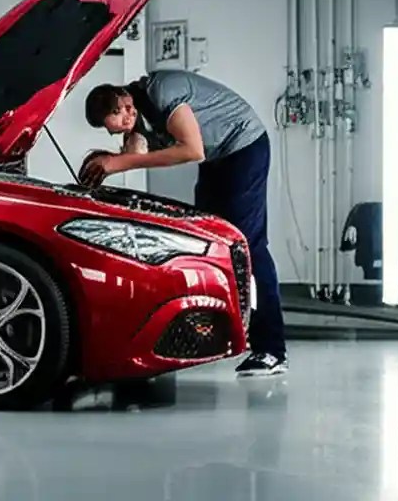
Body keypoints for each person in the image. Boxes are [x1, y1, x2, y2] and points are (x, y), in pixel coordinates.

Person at [79, 69, 287, 378]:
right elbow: (133, 154)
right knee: (203, 239)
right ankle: (211, 332)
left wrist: (120, 162)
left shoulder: (164, 91)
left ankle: (271, 350)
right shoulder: (136, 117)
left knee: (247, 244)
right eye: (116, 130)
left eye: (122, 120)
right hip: (218, 159)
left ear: (125, 102)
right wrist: (104, 167)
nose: (124, 127)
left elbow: (192, 150)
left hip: (244, 148)